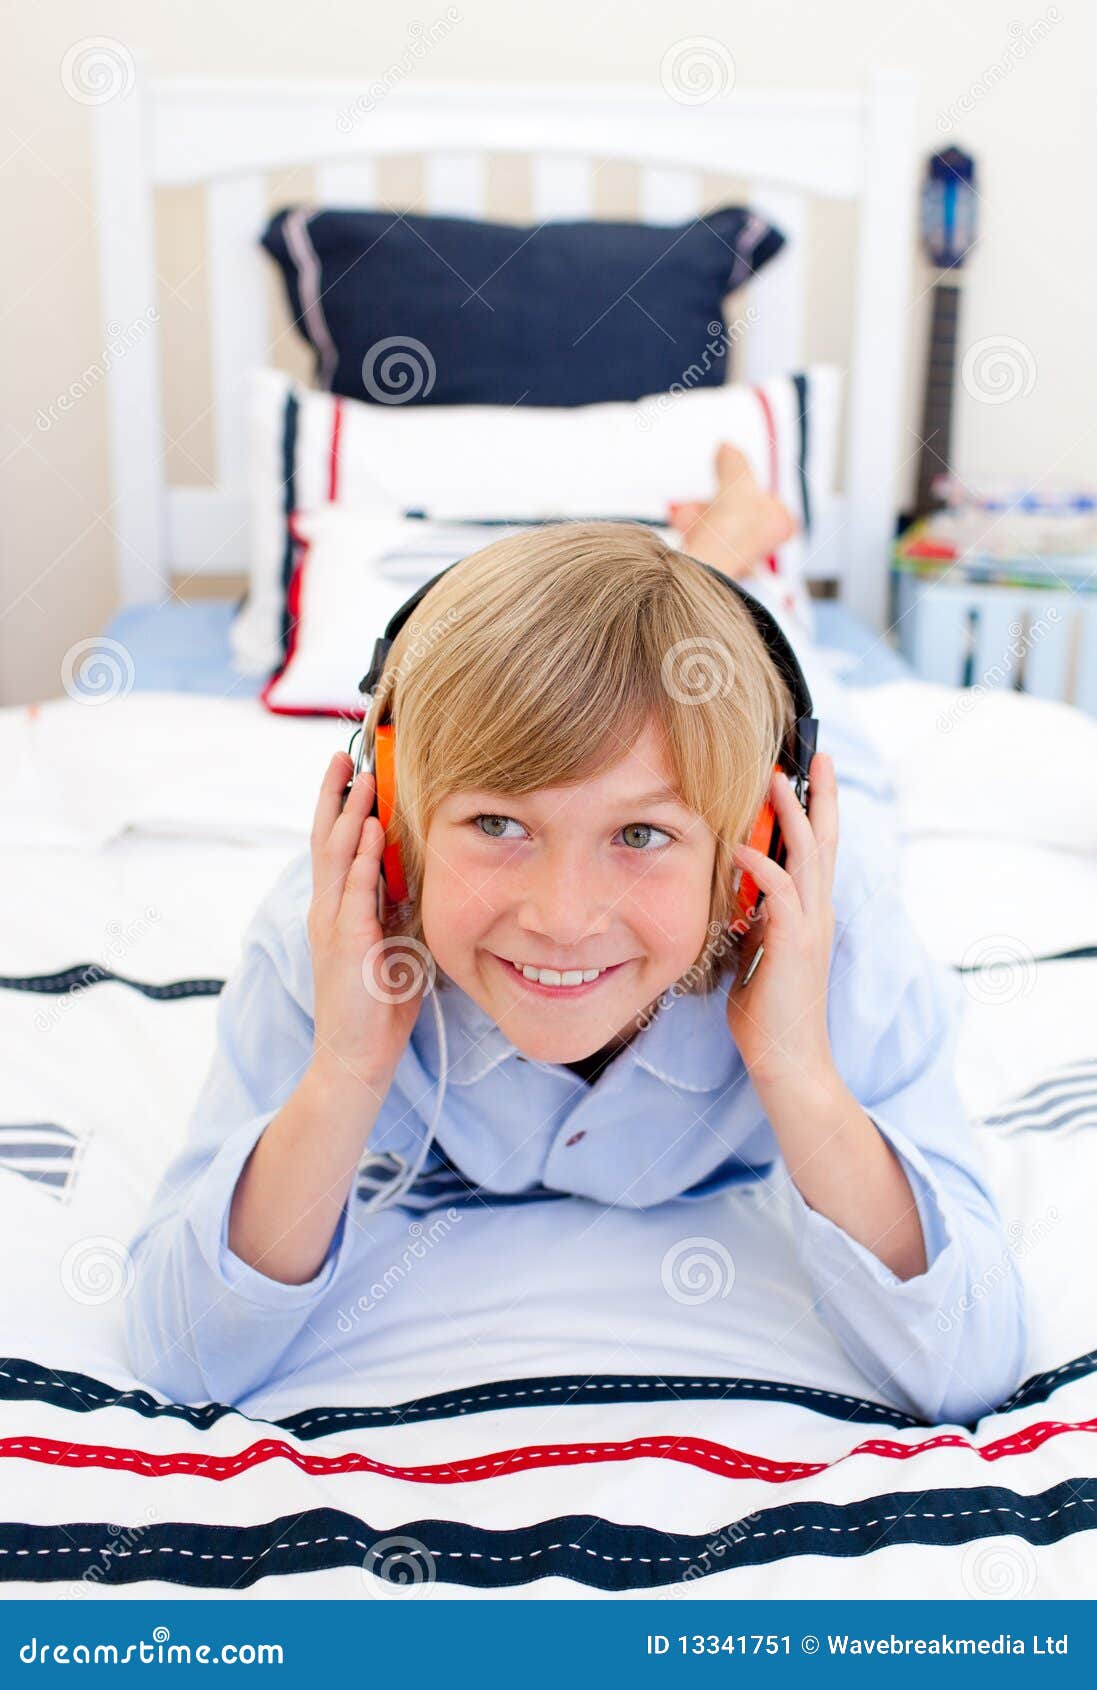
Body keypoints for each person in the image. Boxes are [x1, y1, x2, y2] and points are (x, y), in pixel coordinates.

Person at [124, 452, 1027, 1420]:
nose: (561, 916)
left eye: (641, 833)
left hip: (799, 824)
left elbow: (969, 1359)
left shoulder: (832, 928)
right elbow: (182, 1355)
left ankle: (727, 544)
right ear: (390, 817)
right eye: (496, 824)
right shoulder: (336, 933)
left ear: (748, 846)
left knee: (836, 751)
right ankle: (714, 550)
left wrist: (797, 1067)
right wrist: (345, 1067)